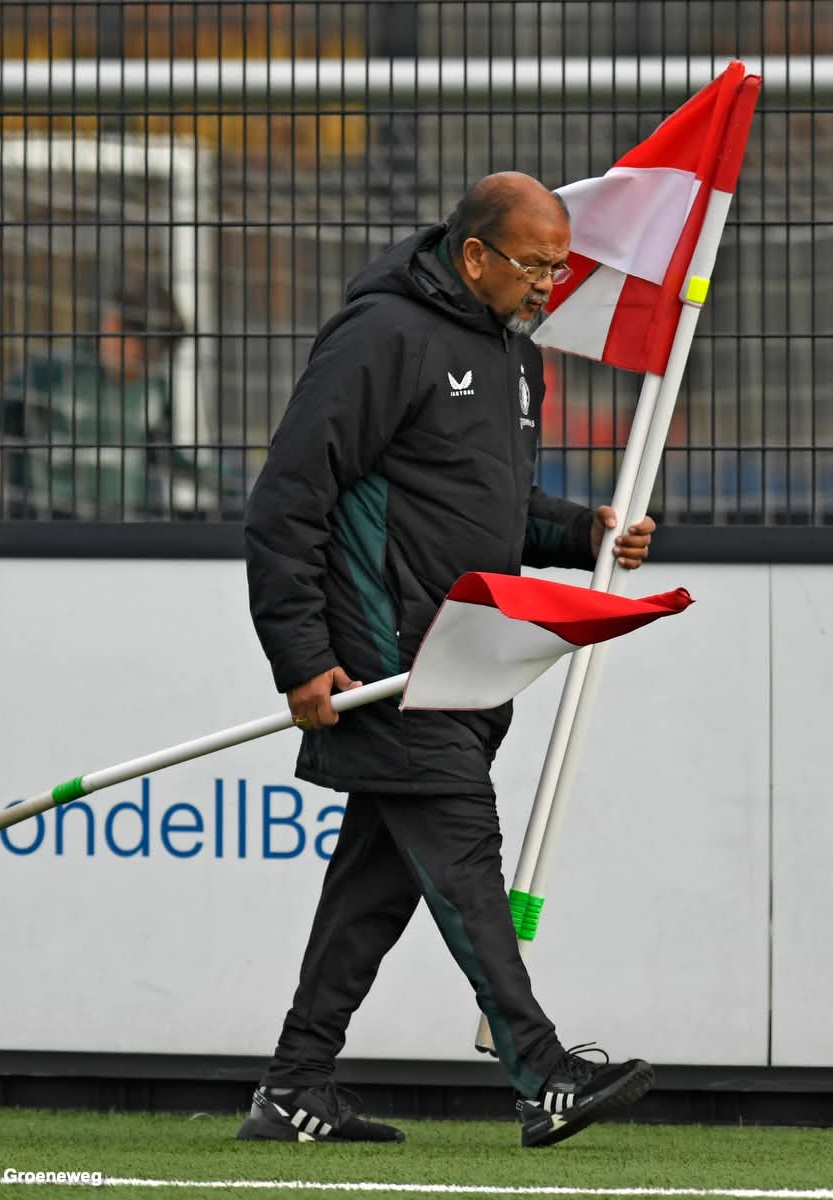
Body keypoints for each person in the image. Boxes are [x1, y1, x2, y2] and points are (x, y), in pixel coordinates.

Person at [241, 172, 657, 1148]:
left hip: (465, 665)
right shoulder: (381, 335)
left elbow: (492, 506)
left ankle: (294, 1088)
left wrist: (583, 531)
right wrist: (301, 656)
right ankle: (542, 1073)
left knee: (375, 883)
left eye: (561, 267)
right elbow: (286, 501)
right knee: (465, 855)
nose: (550, 285)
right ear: (473, 256)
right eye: (534, 265)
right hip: (387, 669)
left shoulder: (516, 354)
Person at [0, 276, 187, 519]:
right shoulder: (51, 373)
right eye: (140, 357)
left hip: (123, 529)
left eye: (152, 361)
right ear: (114, 325)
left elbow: (165, 455)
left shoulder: (155, 388)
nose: (142, 369)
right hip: (48, 530)